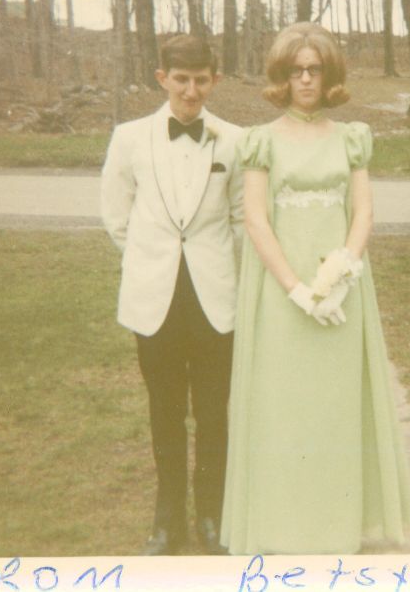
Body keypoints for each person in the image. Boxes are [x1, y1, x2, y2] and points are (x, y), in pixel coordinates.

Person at [221, 23, 410, 555]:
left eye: (315, 70)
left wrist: (340, 274)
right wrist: (297, 290)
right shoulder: (261, 140)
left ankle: (333, 526)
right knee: (283, 406)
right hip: (282, 294)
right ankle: (282, 526)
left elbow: (364, 212)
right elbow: (257, 222)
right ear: (281, 77)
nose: (306, 79)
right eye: (296, 70)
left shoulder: (350, 137)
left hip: (342, 294)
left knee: (332, 408)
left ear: (329, 75)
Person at [100, 34, 243, 555]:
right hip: (154, 298)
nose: (190, 91)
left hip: (213, 300)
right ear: (162, 79)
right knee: (164, 409)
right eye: (180, 80)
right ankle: (168, 521)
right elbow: (117, 218)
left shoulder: (233, 141)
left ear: (215, 80)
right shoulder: (129, 137)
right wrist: (152, 262)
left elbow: (241, 220)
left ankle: (211, 515)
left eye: (201, 80)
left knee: (212, 410)